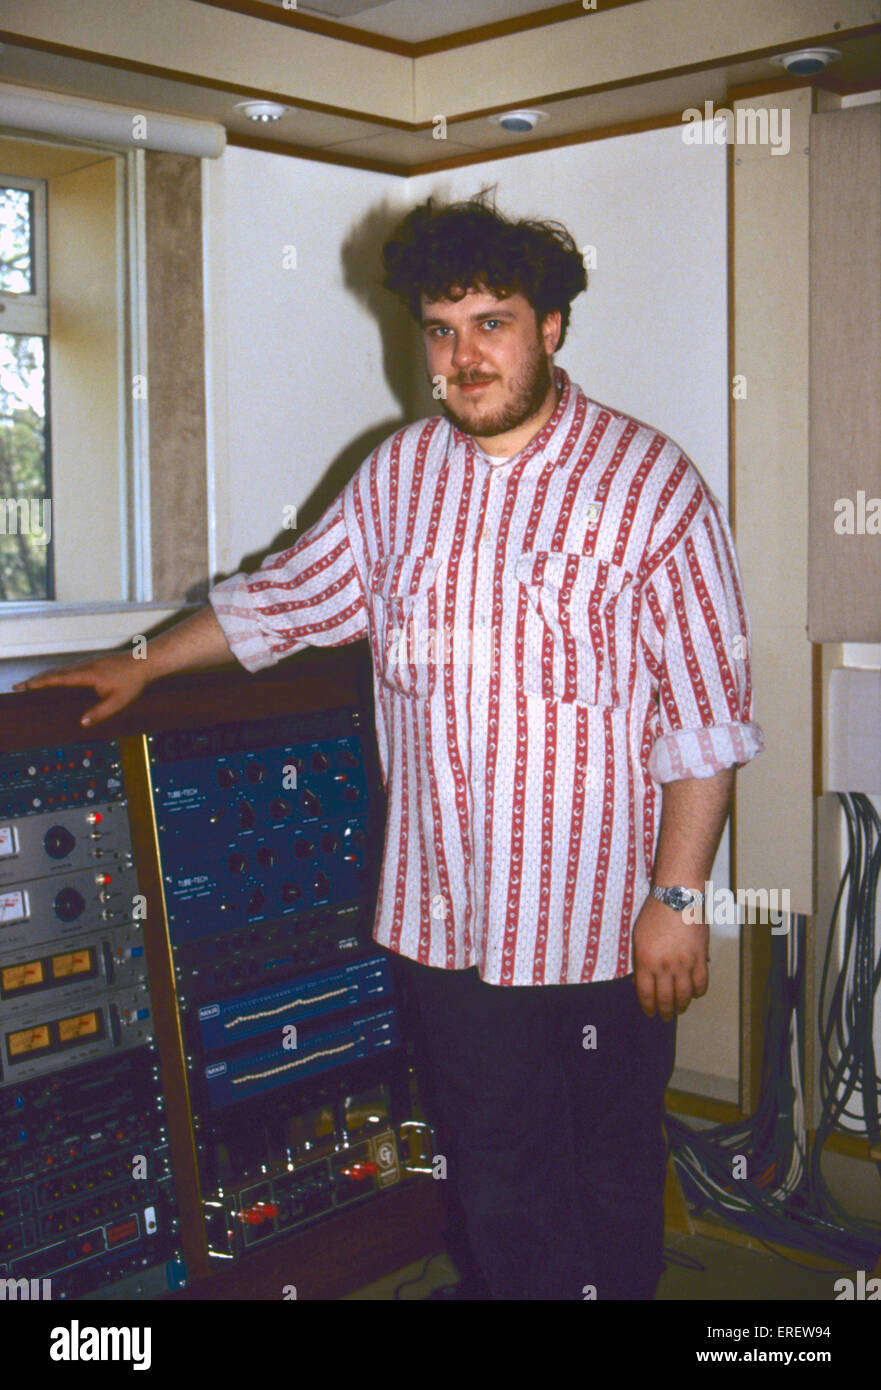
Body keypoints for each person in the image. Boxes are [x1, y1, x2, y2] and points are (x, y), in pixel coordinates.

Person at [16, 192, 764, 1301]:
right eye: (440, 328)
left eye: (491, 323)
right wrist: (145, 661)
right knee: (497, 1177)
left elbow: (704, 714)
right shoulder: (398, 476)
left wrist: (680, 898)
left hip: (605, 921)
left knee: (604, 1159)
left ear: (549, 327)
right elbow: (284, 600)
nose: (463, 356)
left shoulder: (650, 487)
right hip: (447, 921)